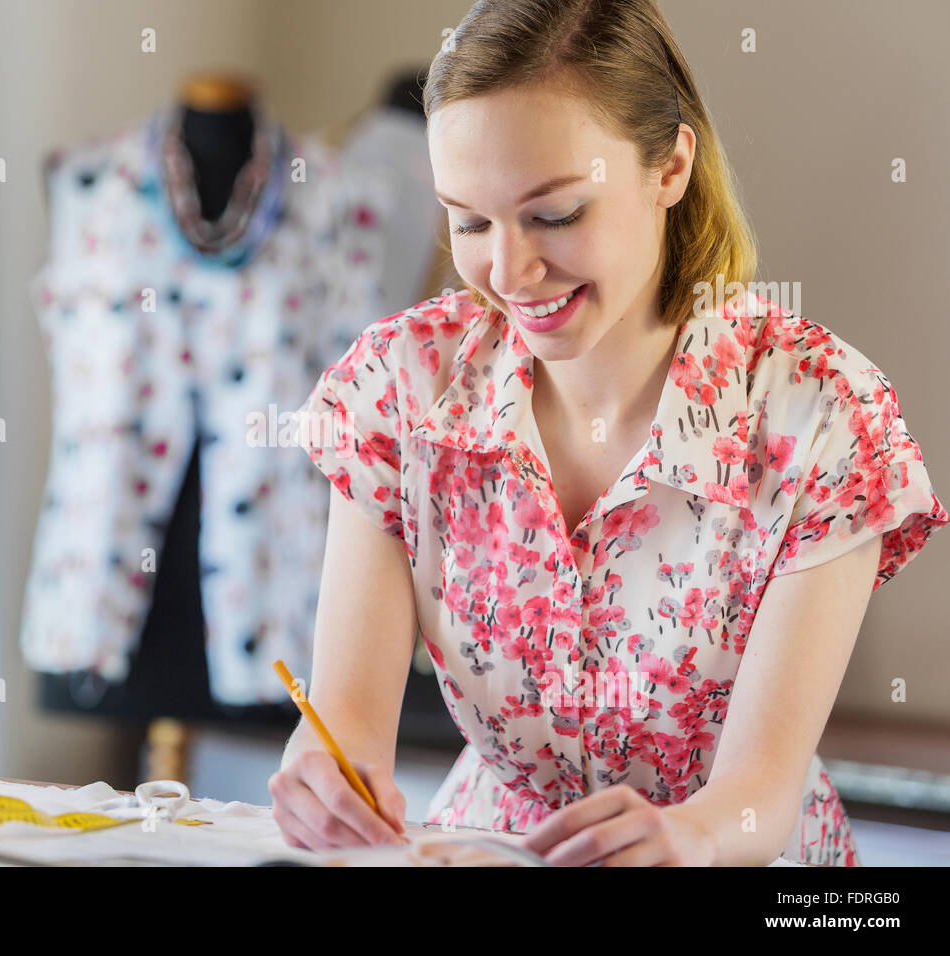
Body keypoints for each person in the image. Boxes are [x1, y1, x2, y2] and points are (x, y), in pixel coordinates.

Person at [269, 0, 947, 866]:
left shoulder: (821, 415)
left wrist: (682, 839)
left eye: (555, 215)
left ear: (670, 167)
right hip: (487, 849)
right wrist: (324, 775)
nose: (509, 273)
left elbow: (758, 797)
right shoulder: (402, 389)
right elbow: (346, 733)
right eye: (470, 221)